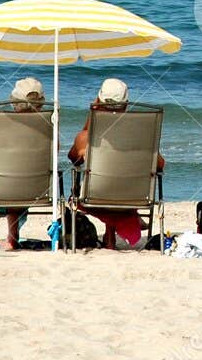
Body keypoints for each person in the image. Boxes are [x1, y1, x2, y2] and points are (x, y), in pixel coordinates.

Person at [67, 77, 164, 250]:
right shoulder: (142, 135)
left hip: (95, 195)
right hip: (134, 196)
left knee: (99, 181)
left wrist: (92, 115)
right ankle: (115, 231)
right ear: (126, 104)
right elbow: (160, 165)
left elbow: (73, 158)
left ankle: (111, 235)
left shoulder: (86, 138)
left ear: (98, 101)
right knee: (119, 180)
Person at [0, 76, 44, 250]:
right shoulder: (49, 126)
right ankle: (12, 236)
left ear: (14, 102)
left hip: (4, 189)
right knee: (22, 174)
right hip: (39, 190)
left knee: (1, 173)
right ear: (41, 103)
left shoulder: (0, 125)